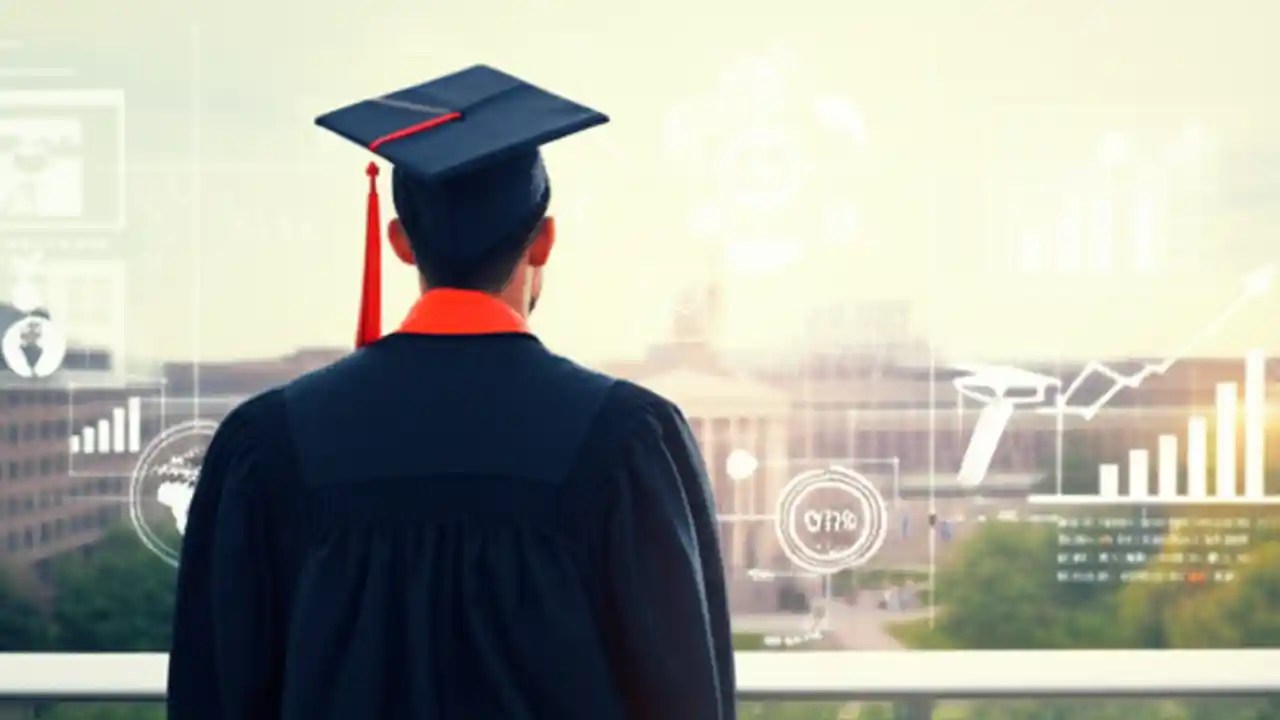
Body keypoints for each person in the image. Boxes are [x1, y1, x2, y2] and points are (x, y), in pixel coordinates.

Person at [166, 64, 736, 719]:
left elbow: (213, 698)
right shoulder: (628, 439)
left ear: (401, 243)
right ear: (544, 241)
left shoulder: (266, 445)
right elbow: (687, 699)